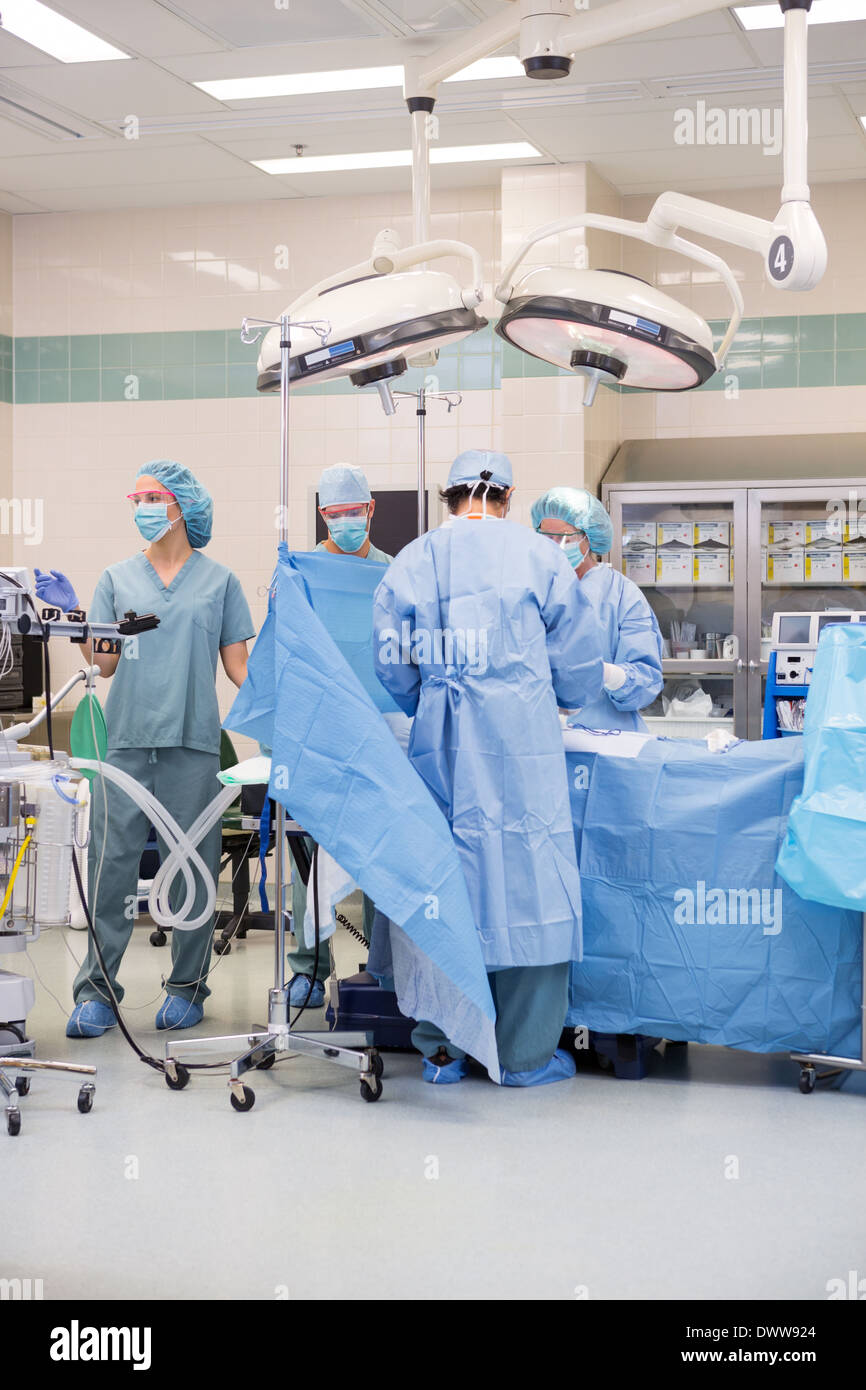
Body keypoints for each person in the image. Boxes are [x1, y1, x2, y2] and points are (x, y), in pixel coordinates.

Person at [372, 450, 606, 1086]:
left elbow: (393, 671)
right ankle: (525, 1055)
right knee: (529, 886)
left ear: (449, 497)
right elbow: (580, 669)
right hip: (521, 748)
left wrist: (436, 702)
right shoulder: (540, 557)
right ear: (506, 497)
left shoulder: (411, 562)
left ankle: (442, 1049)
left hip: (438, 752)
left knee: (442, 890)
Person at [35, 461, 255, 1038]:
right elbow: (103, 662)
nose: (142, 507)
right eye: (135, 498)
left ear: (182, 504)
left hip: (193, 743)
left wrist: (291, 690)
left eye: (152, 497)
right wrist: (78, 620)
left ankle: (187, 987)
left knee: (193, 870)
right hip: (126, 742)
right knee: (110, 867)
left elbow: (239, 669)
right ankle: (98, 992)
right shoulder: (116, 578)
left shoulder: (221, 582)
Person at [286, 463, 393, 1006]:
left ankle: (383, 967)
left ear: (371, 510)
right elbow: (285, 657)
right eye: (335, 514)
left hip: (379, 737)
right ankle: (307, 968)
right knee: (312, 864)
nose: (346, 521)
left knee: (379, 857)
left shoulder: (393, 574)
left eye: (354, 512)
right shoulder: (303, 573)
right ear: (322, 516)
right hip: (320, 736)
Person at [531, 487, 663, 732]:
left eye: (562, 538)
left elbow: (646, 681)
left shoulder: (621, 594)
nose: (552, 547)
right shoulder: (532, 590)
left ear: (587, 538)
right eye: (545, 538)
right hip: (545, 740)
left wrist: (606, 674)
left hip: (609, 738)